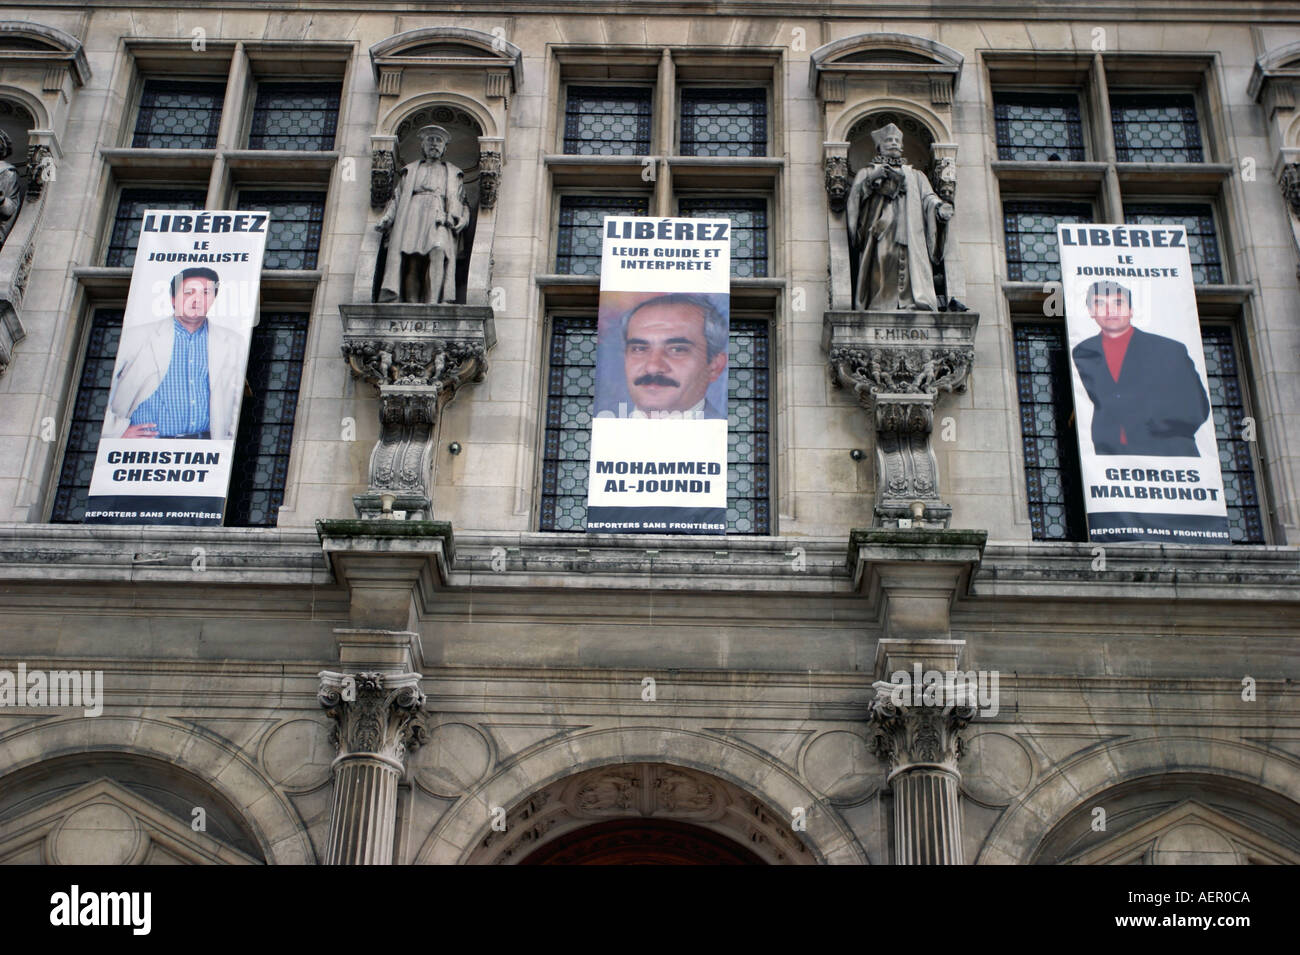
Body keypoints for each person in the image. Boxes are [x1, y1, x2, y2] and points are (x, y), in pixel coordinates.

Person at [104, 267, 246, 441]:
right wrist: (116, 430)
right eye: (189, 292)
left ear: (213, 299)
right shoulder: (135, 337)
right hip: (145, 450)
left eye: (206, 293)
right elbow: (102, 385)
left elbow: (236, 399)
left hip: (205, 452)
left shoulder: (233, 342)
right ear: (173, 299)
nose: (197, 300)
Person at [1071, 281, 1211, 457]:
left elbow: (1196, 407)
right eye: (1100, 304)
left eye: (1118, 303)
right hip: (1109, 460)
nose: (1110, 310)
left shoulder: (1169, 349)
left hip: (1170, 457)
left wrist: (1152, 425)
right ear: (1091, 312)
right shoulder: (1083, 351)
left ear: (1131, 310)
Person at [845, 123, 953, 311]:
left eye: (896, 140)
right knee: (884, 261)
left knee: (911, 265)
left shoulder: (916, 175)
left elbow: (928, 197)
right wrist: (872, 181)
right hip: (882, 231)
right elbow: (854, 200)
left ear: (902, 146)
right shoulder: (868, 172)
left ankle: (910, 302)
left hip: (911, 231)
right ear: (879, 146)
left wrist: (938, 208)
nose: (893, 143)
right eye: (888, 140)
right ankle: (880, 304)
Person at [376, 124, 469, 304]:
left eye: (439, 141)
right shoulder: (410, 170)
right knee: (413, 260)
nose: (434, 144)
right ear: (423, 146)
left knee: (439, 250)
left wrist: (463, 219)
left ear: (444, 148)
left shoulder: (452, 172)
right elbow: (397, 197)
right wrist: (388, 217)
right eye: (430, 140)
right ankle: (411, 303)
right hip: (413, 212)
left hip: (440, 215)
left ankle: (433, 301)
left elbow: (463, 201)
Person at [607, 293, 728, 419]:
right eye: (639, 349)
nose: (653, 367)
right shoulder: (604, 430)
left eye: (677, 349)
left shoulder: (728, 436)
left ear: (715, 367)